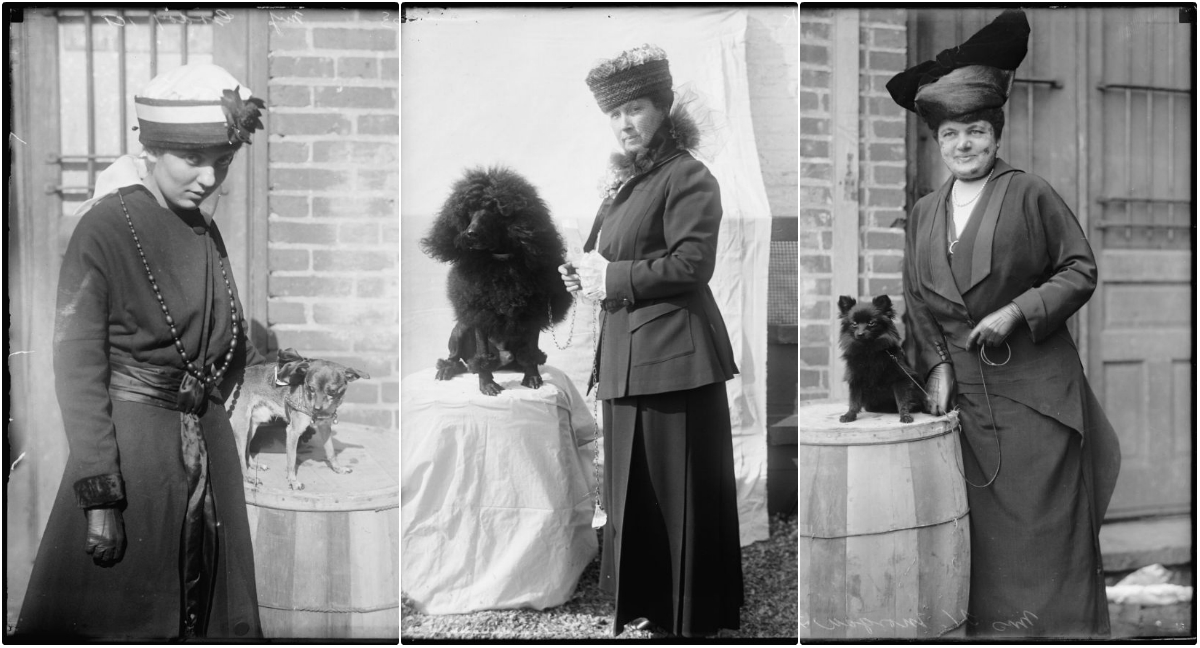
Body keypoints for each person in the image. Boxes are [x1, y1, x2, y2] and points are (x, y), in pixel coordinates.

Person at [887, 9, 1121, 638]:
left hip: (1037, 403)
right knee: (983, 549)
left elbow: (1078, 269)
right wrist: (936, 368)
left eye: (976, 132)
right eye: (951, 136)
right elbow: (915, 299)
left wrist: (1020, 309)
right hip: (968, 407)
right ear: (937, 144)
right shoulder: (923, 212)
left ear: (996, 135)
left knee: (1048, 544)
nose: (964, 145)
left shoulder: (1030, 192)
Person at [16, 64, 268, 640]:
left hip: (205, 451)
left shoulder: (201, 227)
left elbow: (218, 336)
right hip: (134, 460)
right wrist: (101, 497)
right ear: (151, 151)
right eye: (192, 159)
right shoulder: (105, 228)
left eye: (222, 162)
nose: (209, 177)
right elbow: (77, 368)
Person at [559, 44, 743, 638]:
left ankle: (692, 613)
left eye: (635, 108)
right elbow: (617, 258)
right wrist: (588, 275)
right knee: (633, 488)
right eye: (615, 114)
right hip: (626, 355)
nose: (625, 123)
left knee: (677, 486)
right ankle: (647, 602)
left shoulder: (688, 175)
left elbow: (692, 264)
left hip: (677, 357)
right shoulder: (629, 182)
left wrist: (611, 276)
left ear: (663, 107)